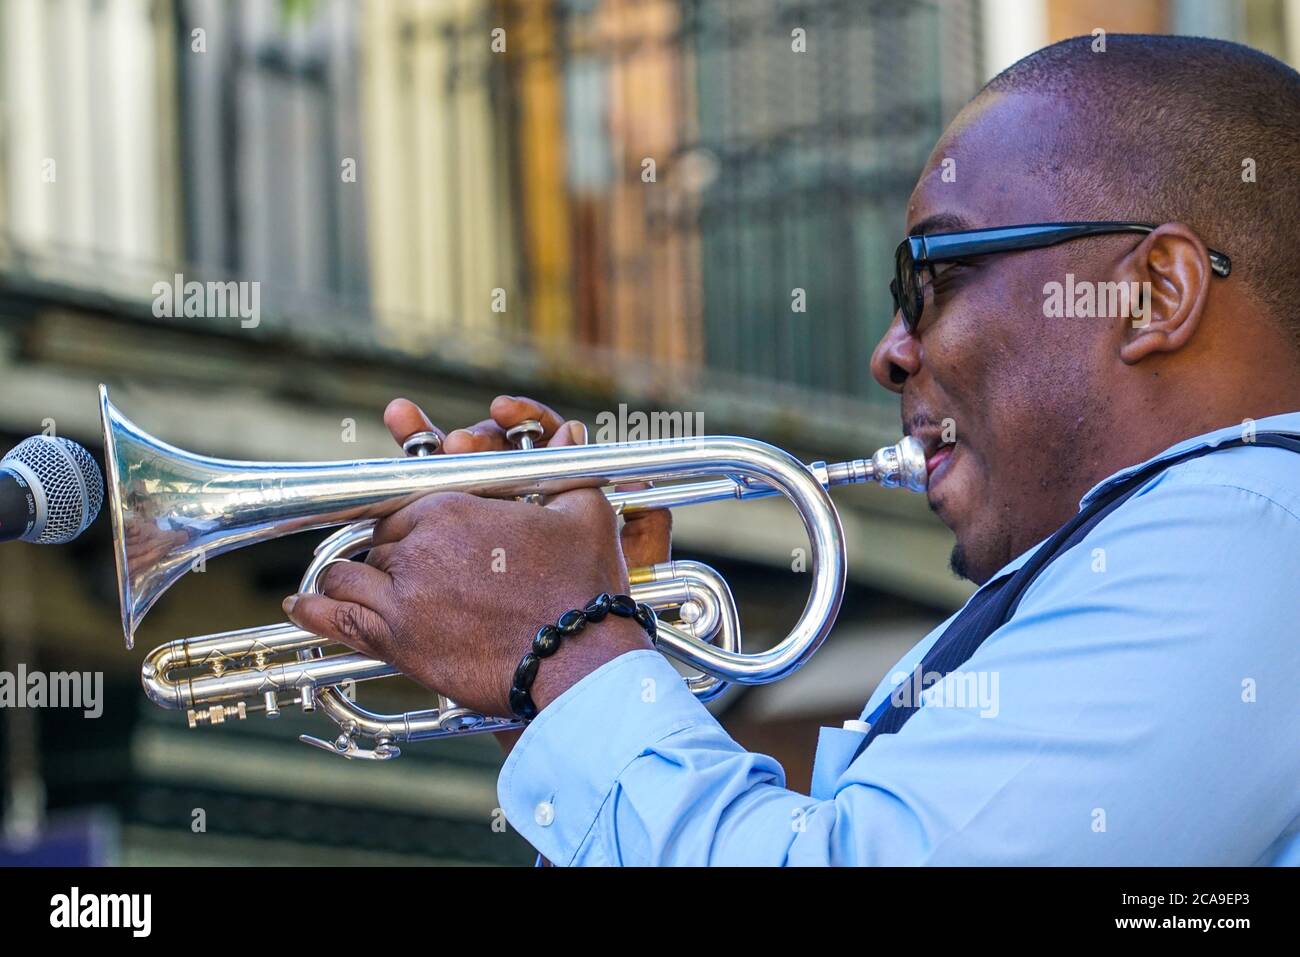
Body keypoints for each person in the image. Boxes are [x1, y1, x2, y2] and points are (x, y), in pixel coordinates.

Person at [282, 35, 1300, 865]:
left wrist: (568, 648)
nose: (889, 351)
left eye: (929, 280)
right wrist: (542, 684)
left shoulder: (1249, 523)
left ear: (1153, 293)